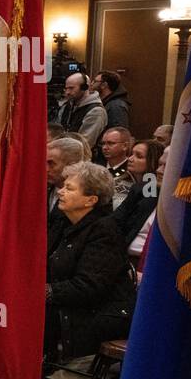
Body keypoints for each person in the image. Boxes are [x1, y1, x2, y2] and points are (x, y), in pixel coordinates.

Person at [44, 161, 135, 363]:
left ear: (91, 200)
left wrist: (44, 292)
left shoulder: (104, 231)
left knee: (29, 316)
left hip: (101, 312)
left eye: (69, 188)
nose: (60, 192)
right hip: (70, 304)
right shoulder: (63, 222)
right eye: (63, 186)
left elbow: (89, 287)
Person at [46, 136, 86, 235]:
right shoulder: (41, 189)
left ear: (72, 165)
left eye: (51, 164)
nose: (46, 169)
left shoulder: (84, 197)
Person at [56, 72, 106, 150]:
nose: (67, 92)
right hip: (64, 154)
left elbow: (85, 144)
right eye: (66, 88)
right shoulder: (67, 106)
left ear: (85, 88)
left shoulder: (96, 111)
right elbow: (57, 131)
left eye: (71, 88)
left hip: (81, 158)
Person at [98, 126, 135, 202]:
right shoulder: (97, 168)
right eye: (103, 143)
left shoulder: (132, 169)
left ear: (125, 146)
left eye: (111, 143)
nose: (105, 147)